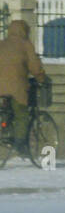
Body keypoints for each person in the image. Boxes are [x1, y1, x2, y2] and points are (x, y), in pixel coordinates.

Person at [0, 20, 48, 149]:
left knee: (6, 110)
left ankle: (5, 129)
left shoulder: (2, 44)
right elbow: (34, 66)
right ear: (25, 31)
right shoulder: (25, 44)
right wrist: (41, 78)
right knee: (22, 114)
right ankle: (20, 145)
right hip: (16, 88)